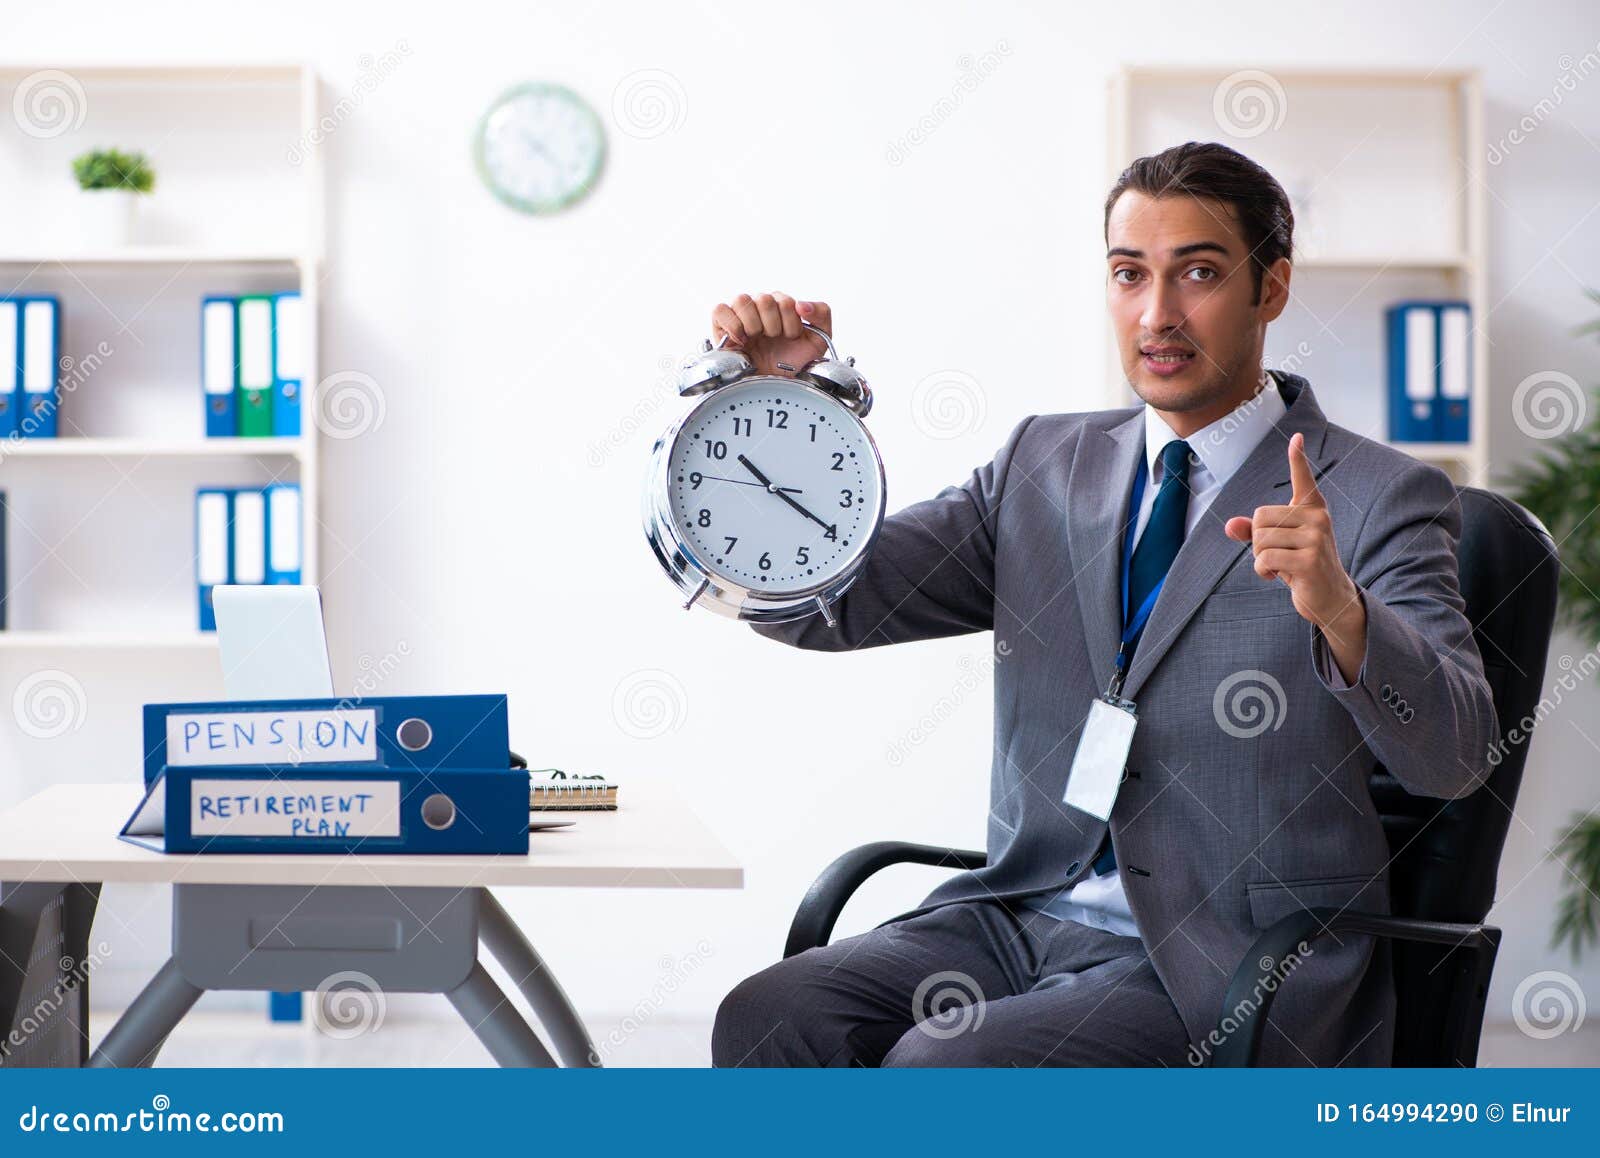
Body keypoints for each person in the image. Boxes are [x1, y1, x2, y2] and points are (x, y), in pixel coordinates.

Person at [707, 140, 1499, 1068]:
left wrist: (1342, 612)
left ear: (1271, 288)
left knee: (947, 1069)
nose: (1157, 314)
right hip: (1019, 916)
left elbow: (1454, 755)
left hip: (1226, 966)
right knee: (770, 1014)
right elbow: (826, 606)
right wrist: (782, 419)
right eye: (1130, 274)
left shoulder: (1377, 495)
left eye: (1198, 273)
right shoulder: (1043, 465)